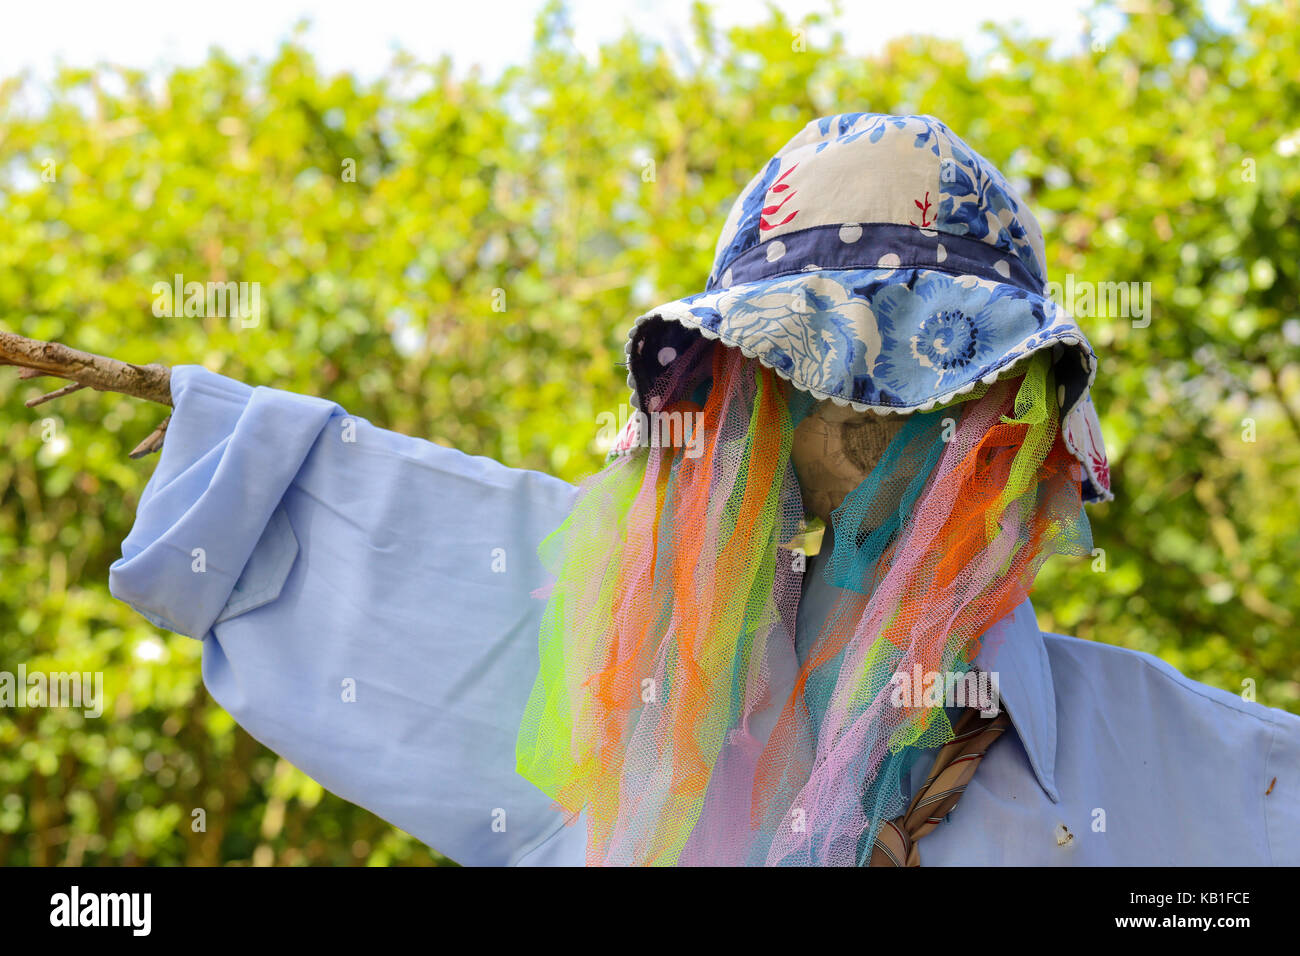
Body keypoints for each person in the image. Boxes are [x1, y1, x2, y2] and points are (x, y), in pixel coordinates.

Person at [31, 113, 1300, 865]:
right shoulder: (608, 676)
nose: (876, 425)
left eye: (936, 383)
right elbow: (379, 535)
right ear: (742, 402)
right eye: (817, 374)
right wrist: (218, 440)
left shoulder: (1214, 778)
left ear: (1024, 426)